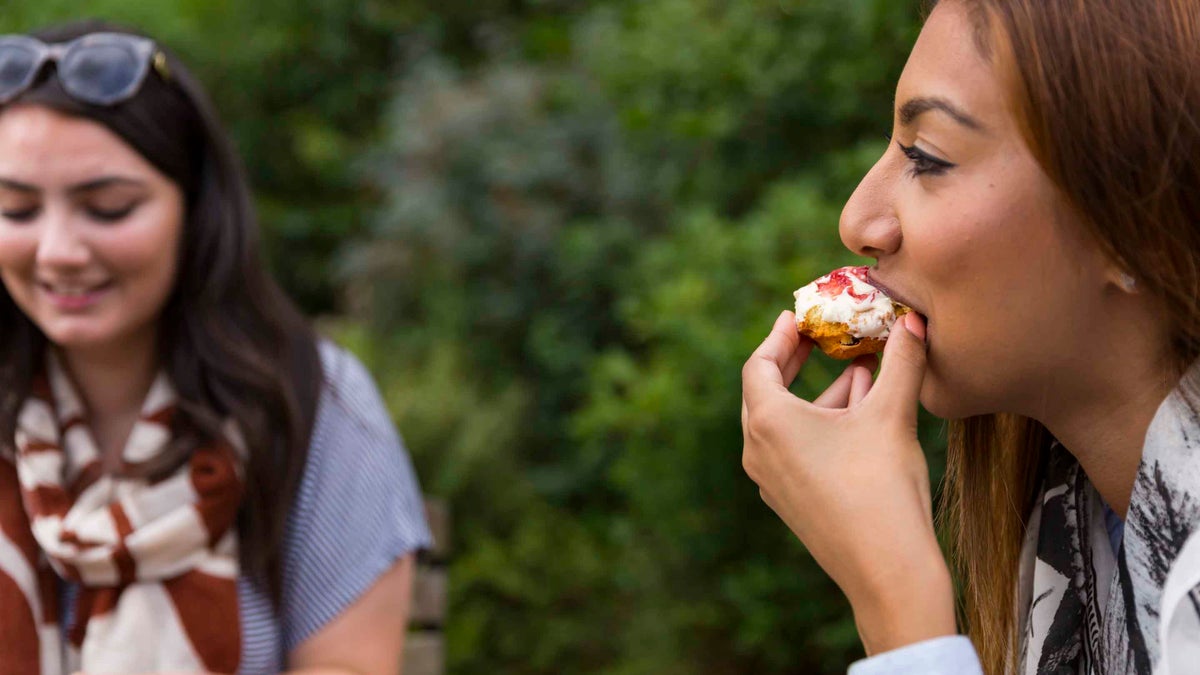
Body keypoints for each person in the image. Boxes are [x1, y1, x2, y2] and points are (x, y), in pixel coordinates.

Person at [740, 0, 1200, 673]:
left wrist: (896, 600)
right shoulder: (1071, 532)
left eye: (926, 157)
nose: (858, 221)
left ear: (1134, 227)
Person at [0, 20, 431, 675]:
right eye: (16, 210)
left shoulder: (315, 402)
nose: (58, 250)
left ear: (197, 210)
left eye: (109, 208)